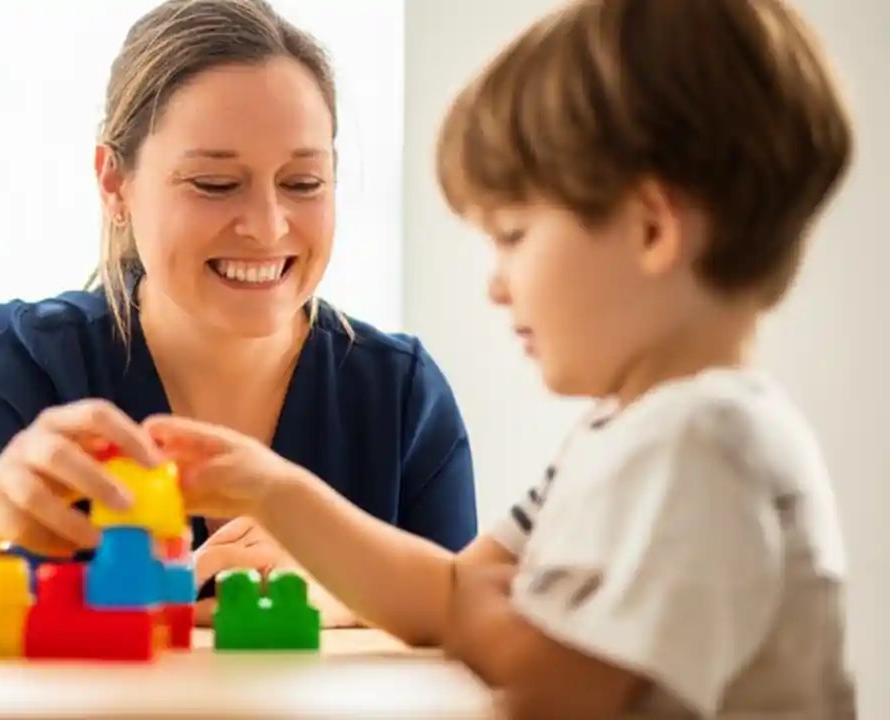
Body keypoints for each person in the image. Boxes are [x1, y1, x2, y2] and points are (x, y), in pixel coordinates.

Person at [142, 0, 857, 716]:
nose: (495, 282)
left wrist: (465, 615)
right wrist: (273, 491)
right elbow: (452, 588)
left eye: (513, 235)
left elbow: (568, 687)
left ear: (650, 229)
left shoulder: (706, 443)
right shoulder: (624, 435)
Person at [0, 0, 479, 627]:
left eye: (304, 183)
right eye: (215, 184)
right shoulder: (37, 361)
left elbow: (472, 628)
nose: (268, 227)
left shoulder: (400, 396)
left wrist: (342, 592)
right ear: (113, 182)